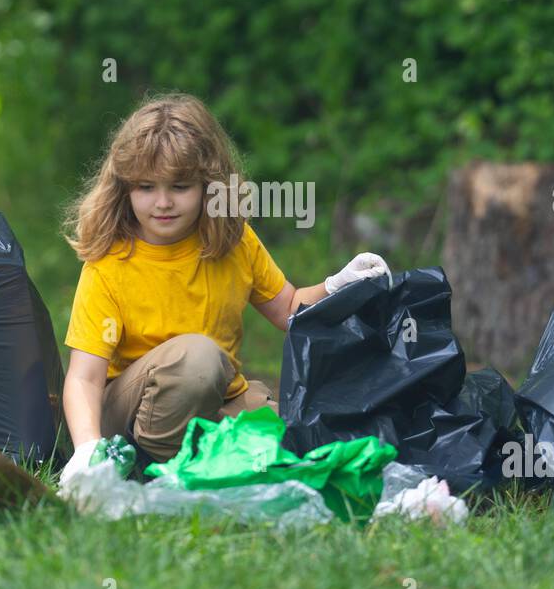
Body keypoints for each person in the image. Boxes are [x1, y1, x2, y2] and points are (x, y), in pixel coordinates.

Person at [57, 92, 389, 486]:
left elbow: (287, 309)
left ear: (209, 186)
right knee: (198, 358)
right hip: (129, 418)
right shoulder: (110, 264)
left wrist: (338, 285)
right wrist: (87, 449)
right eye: (146, 187)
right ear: (125, 189)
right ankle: (151, 466)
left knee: (290, 443)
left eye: (179, 186)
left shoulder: (234, 242)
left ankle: (207, 464)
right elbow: (85, 378)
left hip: (216, 399)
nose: (162, 202)